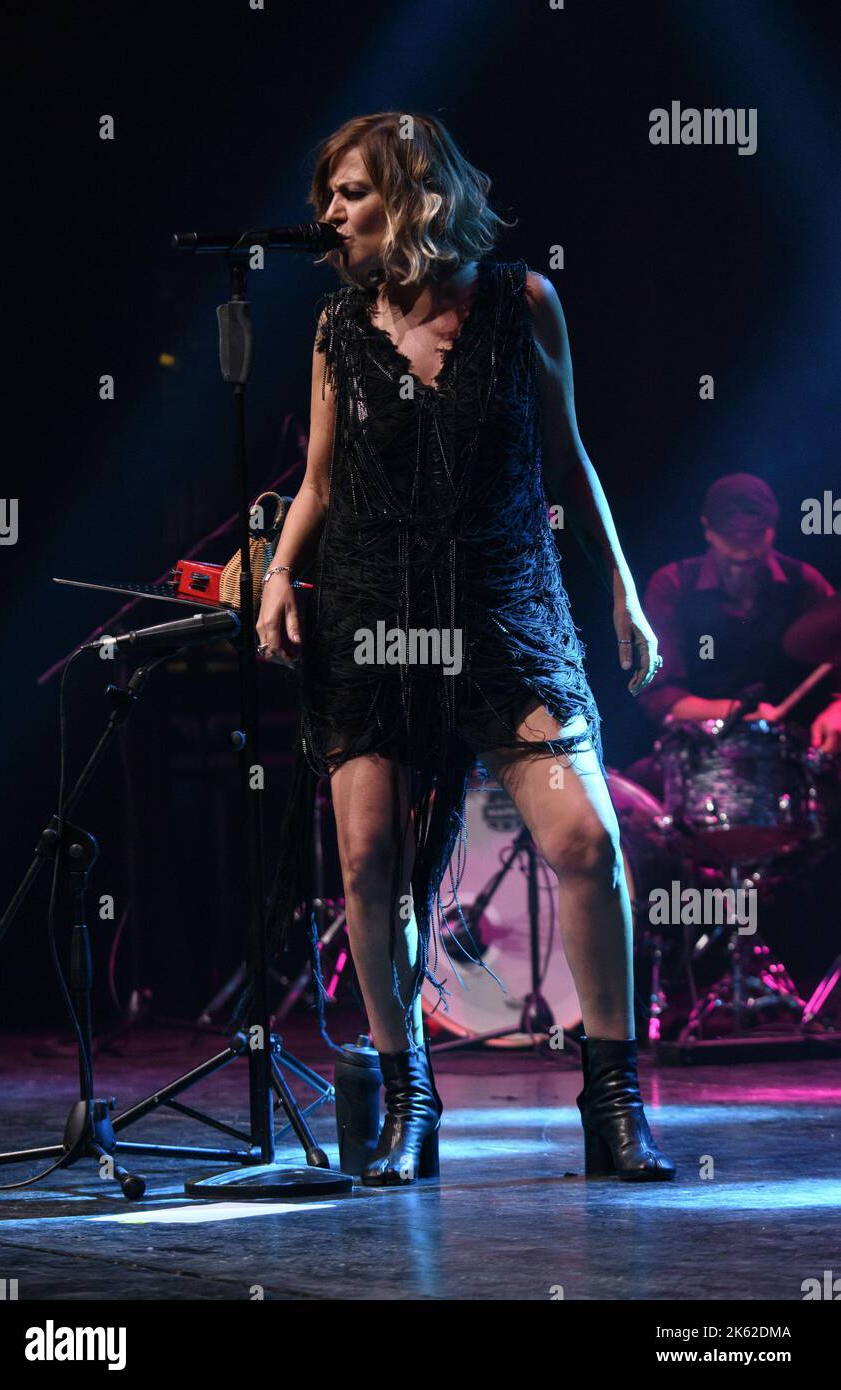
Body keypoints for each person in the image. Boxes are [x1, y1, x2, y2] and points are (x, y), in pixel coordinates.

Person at [256, 111, 675, 1184]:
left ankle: (613, 1102)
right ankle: (408, 1101)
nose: (330, 214)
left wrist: (622, 594)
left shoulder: (517, 302)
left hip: (501, 605)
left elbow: (568, 459)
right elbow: (317, 479)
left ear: (411, 194)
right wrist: (270, 575)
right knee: (367, 862)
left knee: (583, 841)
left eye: (350, 192)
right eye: (328, 196)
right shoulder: (336, 327)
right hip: (371, 610)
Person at [634, 473, 841, 770]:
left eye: (753, 558)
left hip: (794, 757)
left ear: (772, 531)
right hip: (699, 754)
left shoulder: (805, 583)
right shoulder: (673, 584)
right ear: (707, 529)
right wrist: (739, 712)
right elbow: (659, 695)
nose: (742, 568)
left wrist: (838, 710)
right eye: (732, 559)